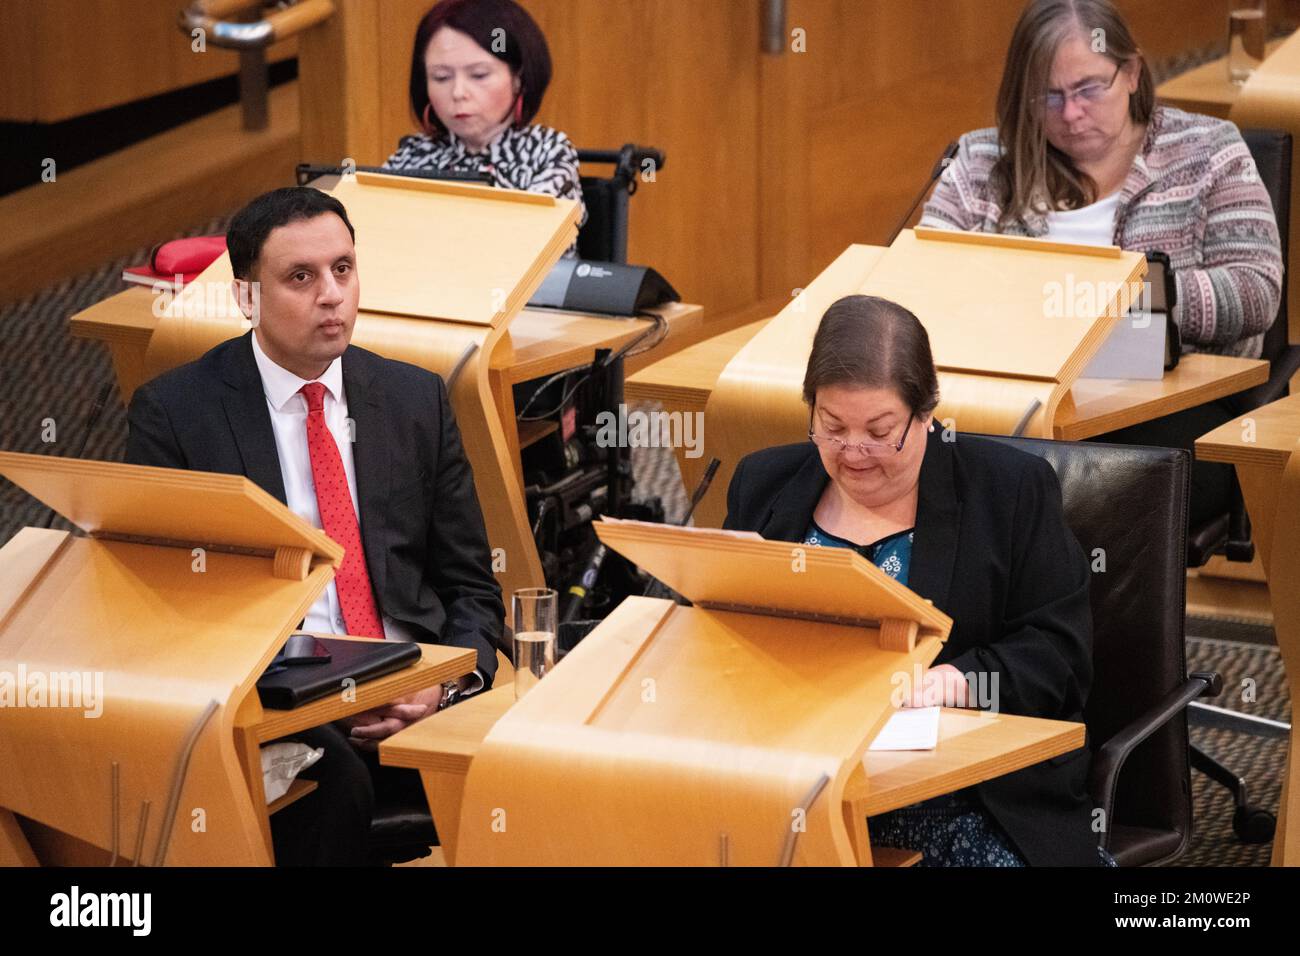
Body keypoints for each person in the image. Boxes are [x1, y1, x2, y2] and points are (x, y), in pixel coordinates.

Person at [126, 186, 504, 865]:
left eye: (343, 269)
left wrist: (442, 686)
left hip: (419, 687)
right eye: (300, 277)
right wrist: (320, 698)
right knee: (332, 787)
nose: (331, 294)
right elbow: (172, 614)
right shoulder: (178, 414)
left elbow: (473, 589)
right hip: (279, 697)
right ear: (247, 296)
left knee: (552, 767)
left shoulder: (415, 399)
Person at [723, 295, 1112, 867]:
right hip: (794, 777)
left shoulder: (1009, 491)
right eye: (831, 427)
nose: (853, 451)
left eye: (881, 431)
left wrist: (952, 680)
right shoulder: (764, 483)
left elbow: (1060, 659)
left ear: (926, 413)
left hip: (961, 794)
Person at [920, 0, 1283, 528]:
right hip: (1016, 412)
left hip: (1169, 412)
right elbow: (924, 279)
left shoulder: (1208, 150)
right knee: (937, 464)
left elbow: (1256, 291)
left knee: (1029, 494)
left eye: (1089, 89)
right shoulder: (980, 164)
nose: (1070, 114)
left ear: (1131, 73)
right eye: (1048, 96)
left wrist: (1141, 301)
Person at [383, 0, 586, 246]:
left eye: (479, 75)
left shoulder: (547, 151)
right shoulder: (414, 154)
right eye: (441, 77)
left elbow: (524, 247)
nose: (458, 92)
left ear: (518, 78)